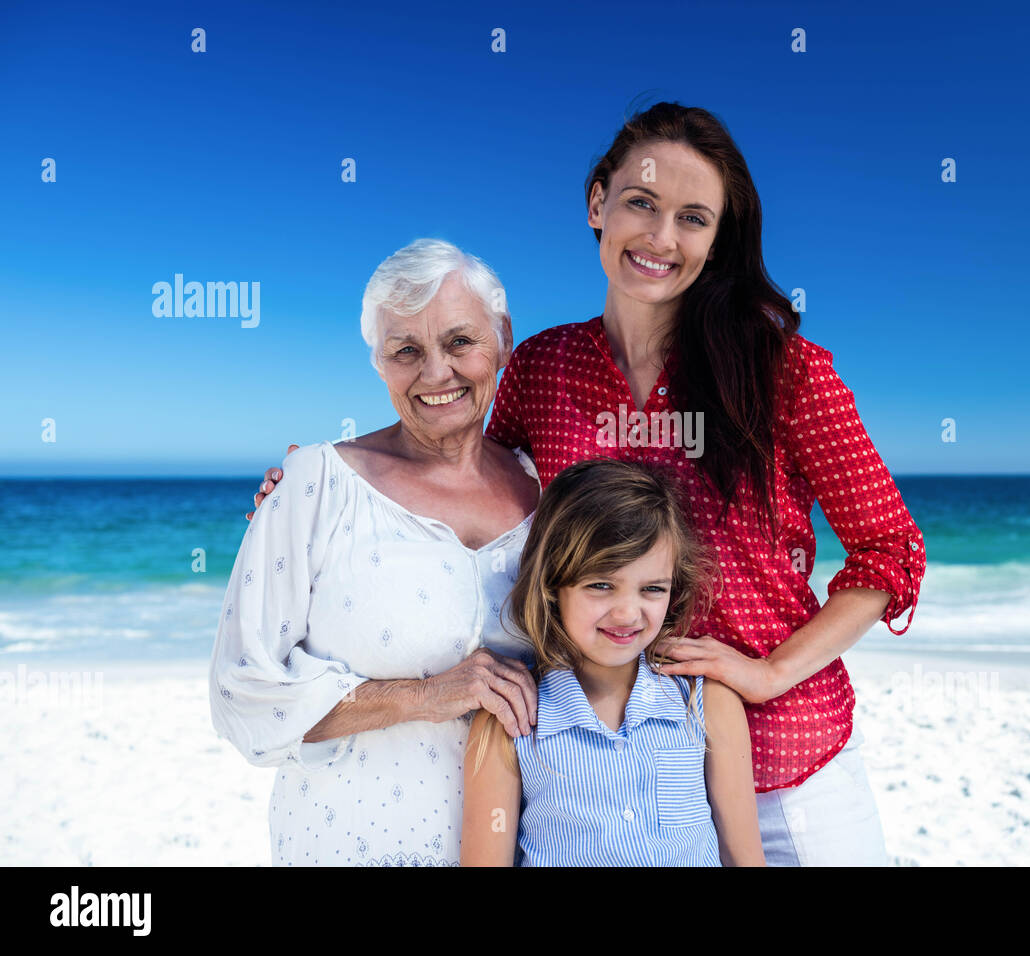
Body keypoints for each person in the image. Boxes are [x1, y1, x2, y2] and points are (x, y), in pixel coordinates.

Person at [251, 101, 927, 865]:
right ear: (597, 202)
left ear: (719, 235)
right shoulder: (543, 368)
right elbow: (469, 482)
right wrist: (327, 488)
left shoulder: (786, 372)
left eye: (694, 217)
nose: (662, 238)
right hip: (592, 770)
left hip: (780, 767)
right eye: (642, 202)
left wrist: (768, 672)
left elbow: (888, 549)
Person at [211, 238, 543, 866]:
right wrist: (423, 695)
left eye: (460, 342)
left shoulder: (550, 495)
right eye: (405, 351)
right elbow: (240, 693)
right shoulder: (316, 485)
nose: (435, 373)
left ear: (503, 336)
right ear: (378, 362)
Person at [460, 458, 764, 866]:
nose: (626, 613)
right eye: (601, 585)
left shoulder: (707, 702)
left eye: (651, 589)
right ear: (553, 586)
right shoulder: (508, 721)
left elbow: (744, 858)